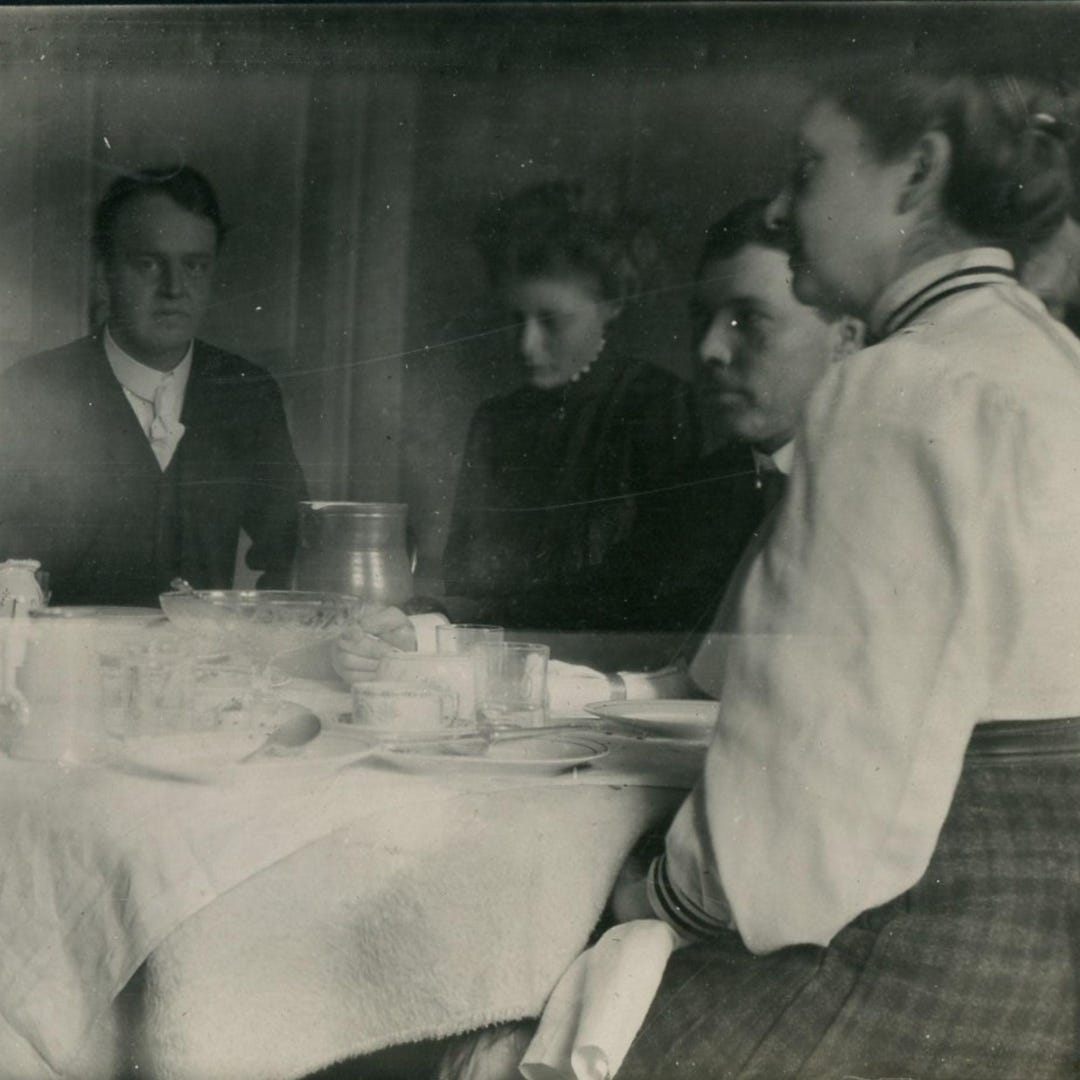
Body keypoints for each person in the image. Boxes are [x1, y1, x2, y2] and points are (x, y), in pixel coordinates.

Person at [603, 68, 1080, 1078]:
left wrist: (657, 895)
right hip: (1047, 978)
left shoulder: (898, 386)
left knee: (516, 1038)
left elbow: (813, 766)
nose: (781, 206)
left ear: (920, 174)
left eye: (809, 169)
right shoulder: (1045, 359)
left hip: (920, 957)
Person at [0, 165, 308, 607]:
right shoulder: (30, 391)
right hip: (66, 667)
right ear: (104, 270)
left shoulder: (246, 393)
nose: (175, 289)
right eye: (148, 264)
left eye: (195, 266)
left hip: (204, 668)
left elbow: (293, 549)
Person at [440, 181, 698, 628]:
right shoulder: (495, 422)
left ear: (612, 304)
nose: (527, 344)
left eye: (551, 320)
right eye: (514, 319)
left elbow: (663, 589)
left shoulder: (656, 407)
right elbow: (465, 581)